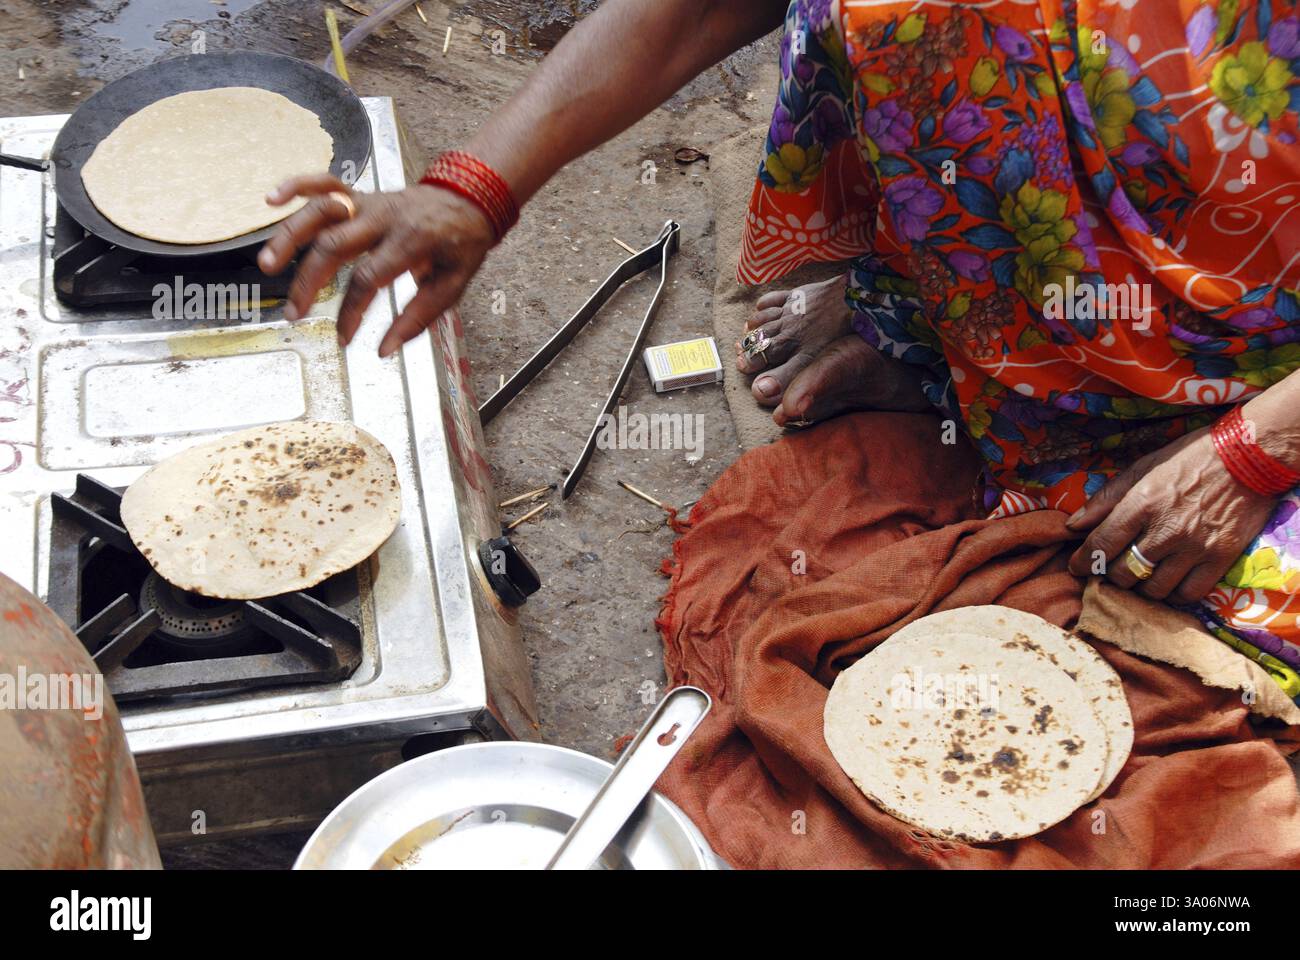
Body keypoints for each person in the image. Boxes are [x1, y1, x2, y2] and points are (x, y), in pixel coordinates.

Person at [260, 0, 1300, 700]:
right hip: (1055, 270)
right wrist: (478, 188)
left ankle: (1175, 410)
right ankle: (955, 334)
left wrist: (1253, 449)